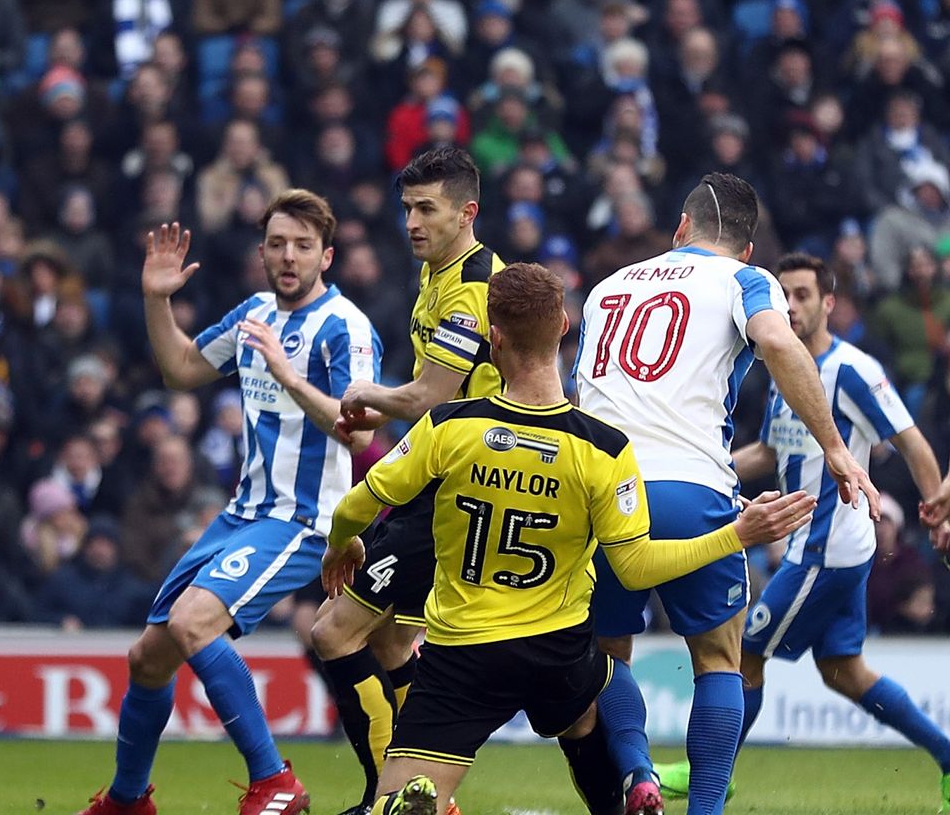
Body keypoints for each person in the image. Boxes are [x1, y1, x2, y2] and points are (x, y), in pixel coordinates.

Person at [323, 263, 814, 815]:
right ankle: (627, 787)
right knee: (590, 708)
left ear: (494, 338)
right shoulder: (604, 448)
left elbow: (356, 505)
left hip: (461, 655)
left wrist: (343, 543)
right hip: (555, 652)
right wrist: (736, 535)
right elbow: (637, 566)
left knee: (396, 796)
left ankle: (410, 800)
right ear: (562, 326)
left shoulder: (448, 427)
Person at [574, 175, 879, 815]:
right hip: (692, 488)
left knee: (608, 653)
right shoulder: (745, 279)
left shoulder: (608, 287)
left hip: (601, 490)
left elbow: (585, 399)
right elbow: (777, 341)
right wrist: (835, 446)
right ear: (747, 248)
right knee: (719, 660)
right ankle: (705, 808)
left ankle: (637, 774)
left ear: (680, 228)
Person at [78, 190, 382, 815]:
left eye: (303, 246)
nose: (289, 257)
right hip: (243, 514)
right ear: (261, 253)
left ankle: (275, 780)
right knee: (148, 659)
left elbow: (360, 433)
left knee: (193, 624)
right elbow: (182, 369)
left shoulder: (344, 326)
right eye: (277, 244)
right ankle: (128, 801)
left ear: (326, 256)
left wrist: (289, 375)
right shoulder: (256, 314)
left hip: (304, 518)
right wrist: (156, 298)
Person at [653, 254, 950, 810]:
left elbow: (911, 441)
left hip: (826, 549)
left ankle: (708, 774)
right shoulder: (785, 367)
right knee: (844, 672)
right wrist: (703, 469)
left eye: (804, 295)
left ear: (829, 302)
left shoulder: (852, 369)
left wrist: (938, 513)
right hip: (819, 547)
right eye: (783, 294)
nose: (790, 305)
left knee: (743, 656)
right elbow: (770, 451)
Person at [315, 144, 503, 815]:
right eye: (407, 209)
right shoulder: (436, 272)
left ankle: (383, 799)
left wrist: (367, 393)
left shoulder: (473, 287)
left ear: (467, 212)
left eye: (426, 209)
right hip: (439, 475)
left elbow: (430, 395)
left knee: (332, 633)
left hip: (458, 486)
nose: (412, 222)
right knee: (393, 640)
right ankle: (423, 797)